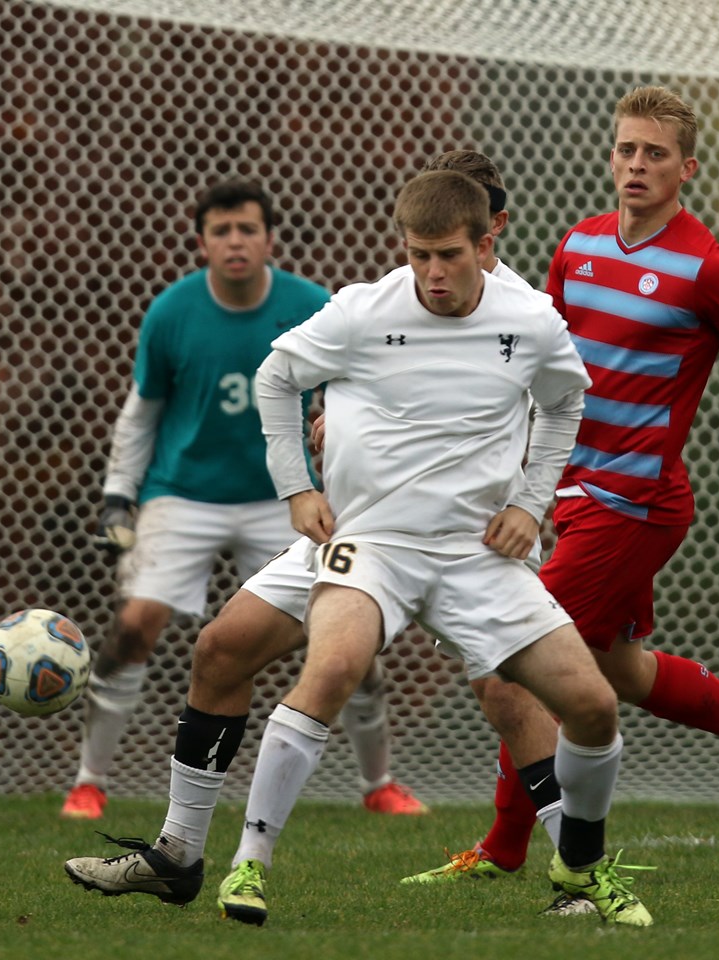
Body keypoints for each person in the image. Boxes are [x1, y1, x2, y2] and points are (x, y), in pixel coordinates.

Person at [67, 170, 655, 927]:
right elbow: (281, 378)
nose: (432, 274)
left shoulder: (529, 320)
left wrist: (529, 505)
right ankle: (183, 855)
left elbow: (563, 402)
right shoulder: (362, 310)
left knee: (535, 697)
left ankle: (578, 875)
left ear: (487, 240)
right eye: (418, 255)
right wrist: (299, 488)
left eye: (448, 255)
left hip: (469, 546)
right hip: (365, 534)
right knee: (224, 648)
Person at [404, 84, 719, 885]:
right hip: (574, 493)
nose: (637, 165)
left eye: (655, 153)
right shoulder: (579, 247)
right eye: (626, 149)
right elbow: (534, 366)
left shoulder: (710, 269)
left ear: (686, 167)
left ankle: (509, 848)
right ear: (609, 156)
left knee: (518, 657)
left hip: (637, 503)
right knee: (618, 670)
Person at [61, 179, 425, 821]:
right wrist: (119, 495)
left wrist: (333, 423)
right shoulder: (172, 313)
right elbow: (141, 414)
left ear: (269, 239)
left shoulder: (310, 304)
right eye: (222, 231)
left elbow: (356, 384)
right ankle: (89, 781)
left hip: (283, 500)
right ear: (201, 242)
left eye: (247, 230)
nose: (236, 242)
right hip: (185, 496)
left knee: (350, 633)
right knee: (135, 623)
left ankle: (379, 783)